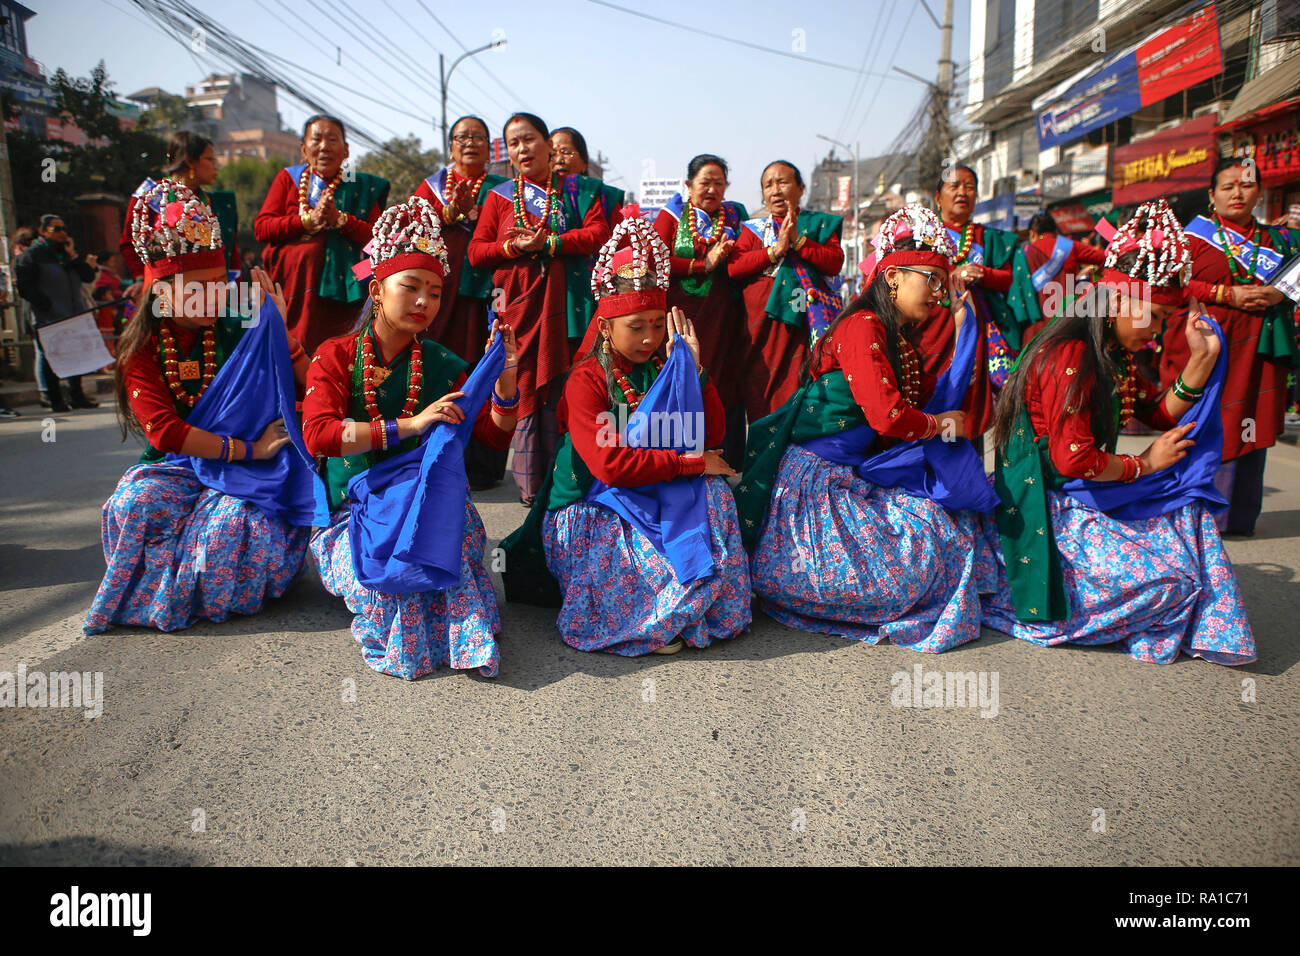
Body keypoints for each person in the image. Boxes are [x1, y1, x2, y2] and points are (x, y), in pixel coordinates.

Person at [981, 199, 1255, 666]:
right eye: (1156, 317)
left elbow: (1155, 411)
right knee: (1167, 582)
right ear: (1120, 301)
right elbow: (1073, 460)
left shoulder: (1110, 348)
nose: (1156, 334)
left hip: (1083, 490)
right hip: (1047, 504)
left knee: (1185, 516)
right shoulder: (1071, 355)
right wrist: (1144, 464)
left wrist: (1201, 360)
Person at [736, 205, 997, 653]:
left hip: (853, 480)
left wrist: (960, 324)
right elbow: (889, 416)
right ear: (893, 276)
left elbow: (929, 394)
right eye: (930, 280)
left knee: (942, 525)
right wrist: (938, 425)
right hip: (816, 486)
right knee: (907, 571)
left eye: (942, 282)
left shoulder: (896, 339)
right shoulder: (863, 327)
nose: (937, 293)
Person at [506, 211, 750, 655]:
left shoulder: (664, 366)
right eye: (635, 327)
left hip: (654, 490)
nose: (649, 338)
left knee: (715, 493)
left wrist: (694, 371)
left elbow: (707, 433)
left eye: (658, 325)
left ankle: (690, 610)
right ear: (605, 326)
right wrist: (688, 463)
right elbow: (609, 466)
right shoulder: (587, 381)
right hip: (593, 503)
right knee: (648, 548)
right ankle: (650, 619)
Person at [85, 182, 322, 635]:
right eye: (198, 289)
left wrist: (281, 332)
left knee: (229, 530)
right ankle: (153, 593)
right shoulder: (141, 350)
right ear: (161, 292)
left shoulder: (239, 320)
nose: (214, 298)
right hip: (188, 462)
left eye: (219, 285)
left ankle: (202, 590)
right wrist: (248, 450)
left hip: (251, 472)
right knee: (132, 506)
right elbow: (166, 435)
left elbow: (312, 385)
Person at [303, 197, 520, 680]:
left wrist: (504, 383)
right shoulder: (336, 355)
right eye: (412, 288)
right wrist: (411, 425)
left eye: (436, 292)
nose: (425, 302)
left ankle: (461, 638)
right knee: (387, 589)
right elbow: (318, 435)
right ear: (377, 291)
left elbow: (487, 435)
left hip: (423, 501)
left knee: (447, 554)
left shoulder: (442, 363)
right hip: (352, 508)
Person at [466, 111, 612, 505]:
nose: (522, 148)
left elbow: (600, 233)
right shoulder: (499, 197)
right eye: (513, 143)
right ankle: (532, 489)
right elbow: (476, 252)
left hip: (572, 307)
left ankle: (573, 481)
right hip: (519, 309)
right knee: (527, 387)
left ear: (550, 145)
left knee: (573, 388)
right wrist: (513, 247)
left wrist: (549, 244)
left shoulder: (579, 190)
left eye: (529, 139)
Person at [1161, 157, 1299, 536]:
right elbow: (1169, 287)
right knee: (1210, 424)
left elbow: (1294, 286)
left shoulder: (1279, 240)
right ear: (1212, 195)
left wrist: (1277, 293)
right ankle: (1201, 517)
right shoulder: (1189, 239)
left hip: (1258, 352)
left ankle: (1240, 516)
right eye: (1228, 186)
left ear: (1259, 193)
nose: (1237, 193)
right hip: (1209, 349)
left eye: (1246, 185)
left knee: (1252, 422)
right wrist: (1226, 293)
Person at [413, 115, 510, 490]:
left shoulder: (505, 188)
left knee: (484, 372)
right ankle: (433, 457)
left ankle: (482, 467)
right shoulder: (431, 188)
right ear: (450, 147)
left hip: (488, 295)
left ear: (490, 148)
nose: (470, 143)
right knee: (442, 373)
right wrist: (450, 213)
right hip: (441, 300)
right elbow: (415, 227)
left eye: (478, 137)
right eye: (462, 137)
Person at [914, 165, 1033, 438]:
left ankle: (972, 468)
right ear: (938, 196)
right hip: (935, 329)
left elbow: (1008, 279)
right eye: (954, 186)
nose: (962, 192)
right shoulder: (923, 235)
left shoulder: (988, 238)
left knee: (972, 404)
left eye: (969, 187)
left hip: (976, 329)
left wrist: (980, 273)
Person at [254, 114, 390, 354]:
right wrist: (308, 220)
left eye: (332, 139)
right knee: (295, 351)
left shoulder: (361, 186)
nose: (324, 146)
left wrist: (341, 220)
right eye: (316, 139)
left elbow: (378, 242)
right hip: (294, 289)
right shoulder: (288, 179)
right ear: (303, 149)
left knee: (342, 353)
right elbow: (262, 228)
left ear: (346, 151)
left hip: (349, 292)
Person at [728, 159, 843, 421]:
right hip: (762, 330)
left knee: (806, 390)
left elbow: (834, 262)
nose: (775, 190)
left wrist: (799, 241)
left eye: (783, 182)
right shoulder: (752, 230)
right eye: (768, 185)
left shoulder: (819, 225)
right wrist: (774, 251)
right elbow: (735, 267)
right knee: (764, 399)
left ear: (801, 188)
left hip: (806, 321)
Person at [653, 155, 749, 467]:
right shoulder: (672, 215)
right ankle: (684, 459)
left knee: (724, 384)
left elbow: (747, 255)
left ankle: (728, 460)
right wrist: (701, 264)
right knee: (685, 378)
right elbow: (656, 258)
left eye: (718, 183)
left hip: (724, 319)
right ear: (689, 185)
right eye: (704, 182)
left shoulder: (735, 216)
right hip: (681, 315)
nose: (711, 189)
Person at [119, 131, 242, 281]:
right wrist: (140, 279)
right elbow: (129, 243)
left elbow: (231, 254)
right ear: (189, 161)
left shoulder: (215, 203)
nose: (216, 166)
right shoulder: (150, 196)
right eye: (209, 159)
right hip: (164, 291)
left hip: (213, 292)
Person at [14, 213, 99, 411]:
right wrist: (46, 305)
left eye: (64, 229)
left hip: (73, 314)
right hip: (47, 316)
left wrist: (74, 256)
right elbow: (25, 286)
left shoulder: (65, 254)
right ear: (43, 232)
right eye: (56, 229)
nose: (63, 233)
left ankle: (76, 396)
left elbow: (87, 276)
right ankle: (54, 399)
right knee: (50, 356)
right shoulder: (32, 255)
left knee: (76, 354)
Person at [1019, 212, 1107, 342]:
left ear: (1032, 233)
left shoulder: (1024, 253)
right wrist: (1094, 272)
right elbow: (1104, 257)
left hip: (1037, 324)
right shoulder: (1069, 246)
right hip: (1069, 319)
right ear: (1055, 231)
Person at [550, 126, 625, 229]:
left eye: (566, 152)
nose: (559, 160)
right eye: (553, 154)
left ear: (584, 163)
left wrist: (554, 242)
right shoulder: (535, 197)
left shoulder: (602, 197)